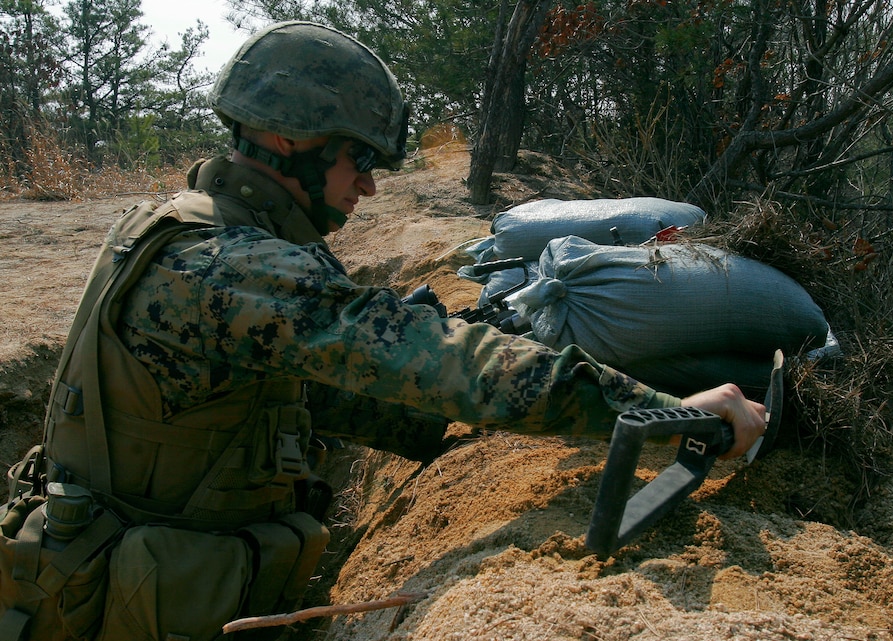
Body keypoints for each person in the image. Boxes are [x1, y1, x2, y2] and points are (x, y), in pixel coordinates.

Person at [4, 21, 766, 641]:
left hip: (141, 586)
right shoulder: (225, 265)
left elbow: (313, 395)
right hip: (127, 613)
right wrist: (662, 412)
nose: (367, 185)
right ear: (288, 141)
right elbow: (437, 360)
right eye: (358, 158)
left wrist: (457, 442)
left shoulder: (198, 233)